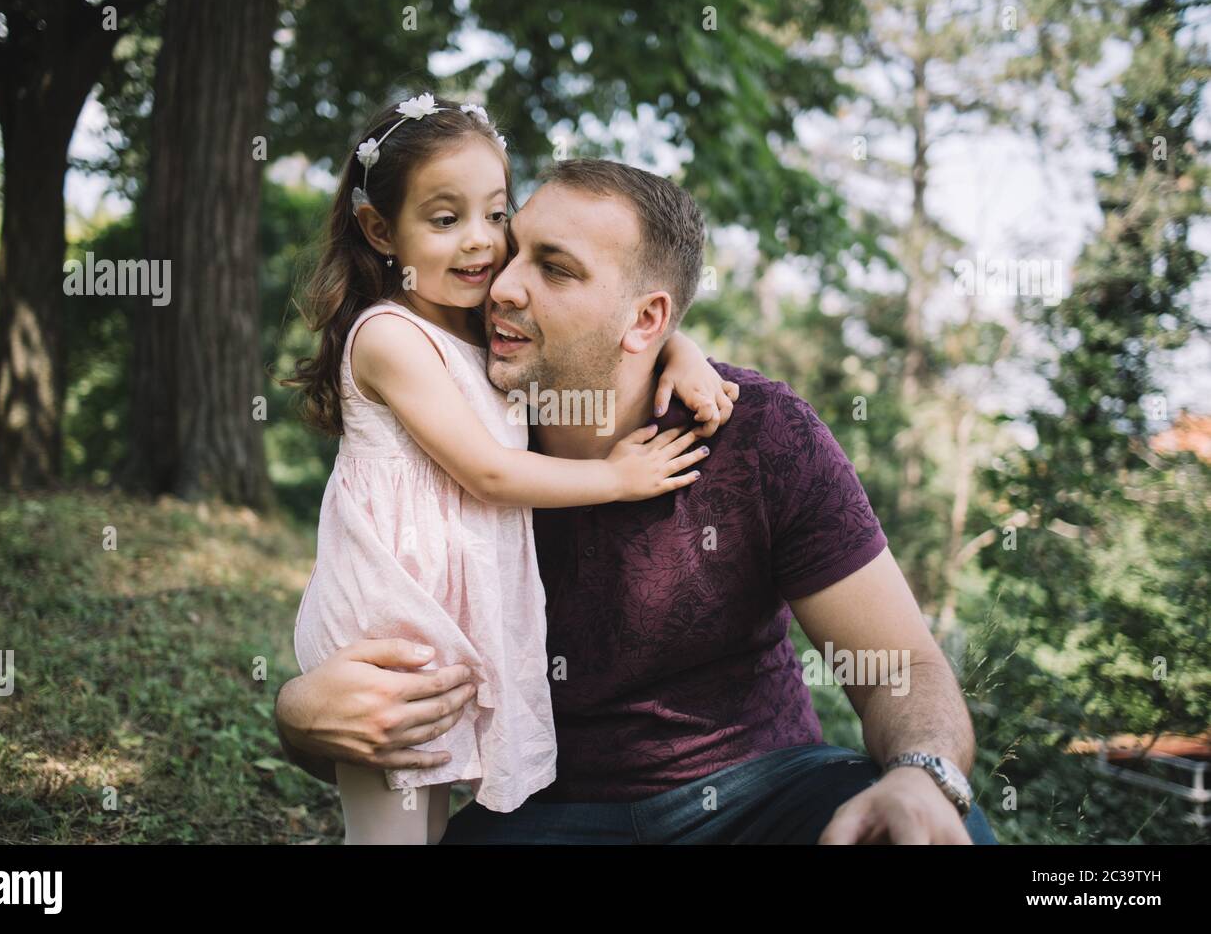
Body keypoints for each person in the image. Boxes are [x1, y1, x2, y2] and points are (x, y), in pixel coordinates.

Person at [276, 155, 999, 845]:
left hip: (763, 796)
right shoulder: (455, 444)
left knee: (922, 831)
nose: (502, 284)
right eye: (512, 249)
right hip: (549, 816)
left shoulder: (760, 433)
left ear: (649, 321)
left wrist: (922, 776)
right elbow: (384, 730)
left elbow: (902, 667)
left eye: (554, 268)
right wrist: (299, 718)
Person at [281, 95, 738, 845]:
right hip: (393, 623)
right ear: (379, 230)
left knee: (430, 825)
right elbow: (488, 474)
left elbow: (619, 327)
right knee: (393, 830)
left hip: (452, 612)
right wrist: (618, 478)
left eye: (496, 216)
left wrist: (681, 353)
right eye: (443, 218)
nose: (481, 244)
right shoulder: (388, 336)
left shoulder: (477, 329)